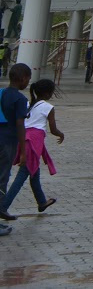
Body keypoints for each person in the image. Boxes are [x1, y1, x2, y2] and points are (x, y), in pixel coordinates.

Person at [5, 77, 62, 216]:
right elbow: (53, 129)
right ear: (48, 93)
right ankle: (3, 206)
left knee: (34, 172)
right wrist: (61, 134)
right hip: (34, 142)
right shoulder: (48, 107)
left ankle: (41, 202)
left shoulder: (28, 104)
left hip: (24, 139)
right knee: (23, 174)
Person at [0, 63, 33, 223]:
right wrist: (23, 151)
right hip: (8, 141)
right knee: (2, 177)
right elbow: (20, 124)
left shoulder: (1, 93)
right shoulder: (20, 99)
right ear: (23, 79)